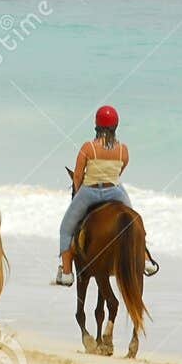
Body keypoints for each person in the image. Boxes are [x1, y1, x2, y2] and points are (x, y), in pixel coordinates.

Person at [53, 105, 132, 286]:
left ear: (96, 125)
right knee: (133, 221)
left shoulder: (88, 147)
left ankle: (66, 273)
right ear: (116, 126)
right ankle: (145, 259)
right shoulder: (123, 150)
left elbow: (78, 175)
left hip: (90, 191)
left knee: (66, 228)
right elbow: (120, 169)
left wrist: (79, 190)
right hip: (114, 190)